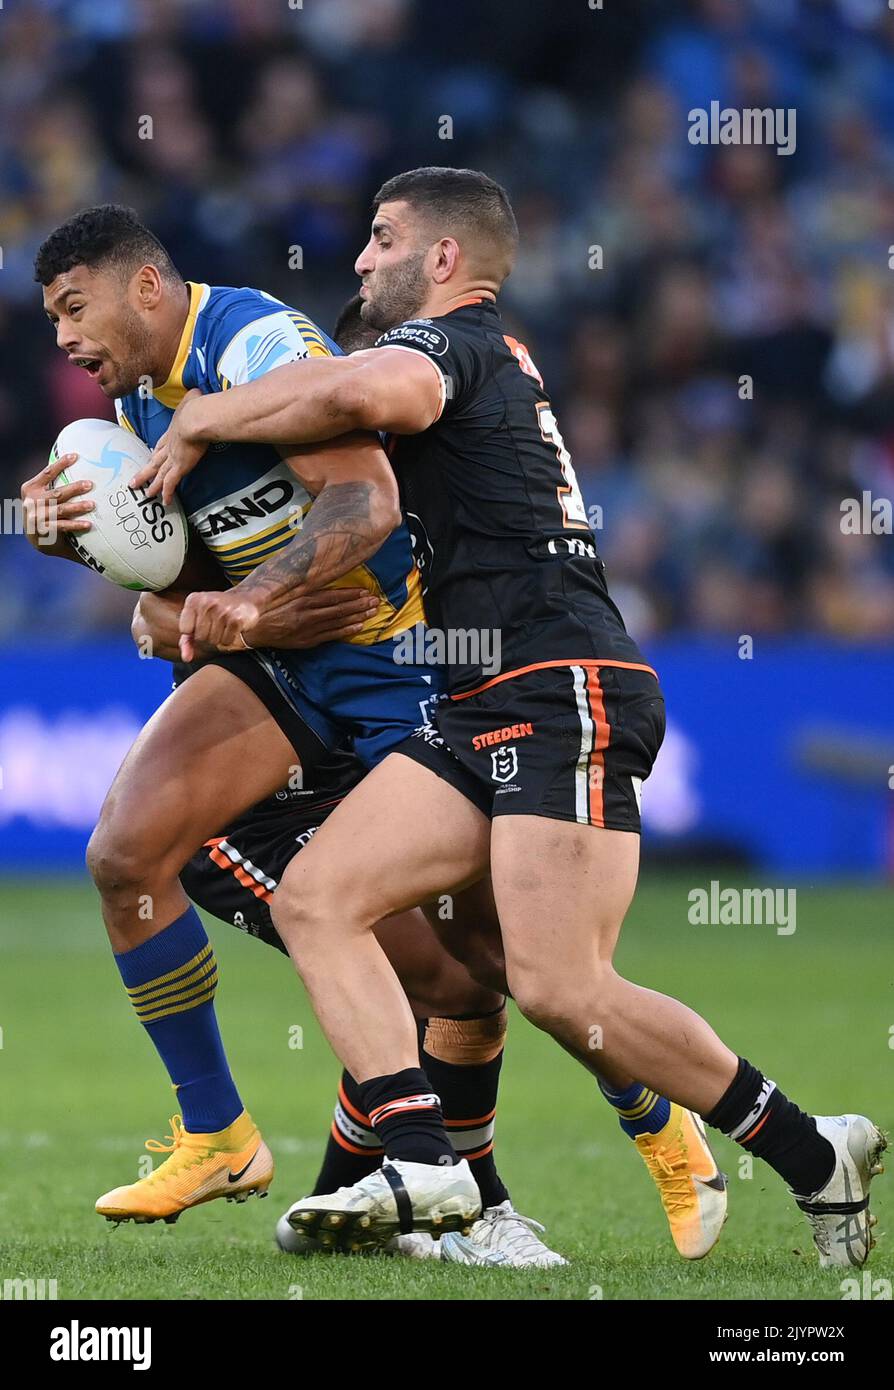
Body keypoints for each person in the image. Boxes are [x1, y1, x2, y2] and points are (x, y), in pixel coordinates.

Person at [137, 167, 885, 1268]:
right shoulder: (468, 356)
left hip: (561, 683)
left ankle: (813, 1150)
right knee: (320, 898)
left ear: (445, 260)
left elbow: (355, 398)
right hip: (483, 698)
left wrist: (201, 411)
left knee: (557, 986)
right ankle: (426, 1161)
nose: (359, 259)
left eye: (381, 239)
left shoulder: (461, 344)